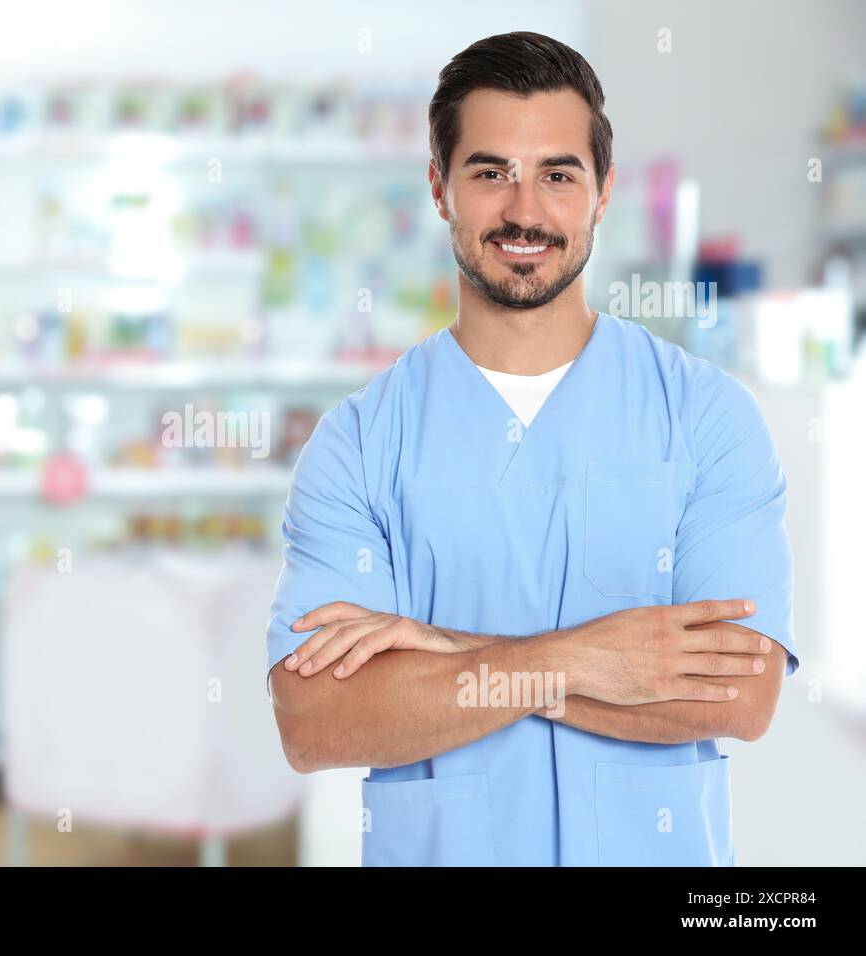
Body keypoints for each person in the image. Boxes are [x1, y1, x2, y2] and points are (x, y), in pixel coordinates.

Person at [264, 31, 796, 867]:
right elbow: (315, 720)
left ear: (604, 189)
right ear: (440, 189)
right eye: (489, 173)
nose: (523, 210)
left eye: (557, 173)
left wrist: (448, 658)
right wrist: (584, 660)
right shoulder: (359, 444)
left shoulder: (707, 417)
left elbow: (742, 694)